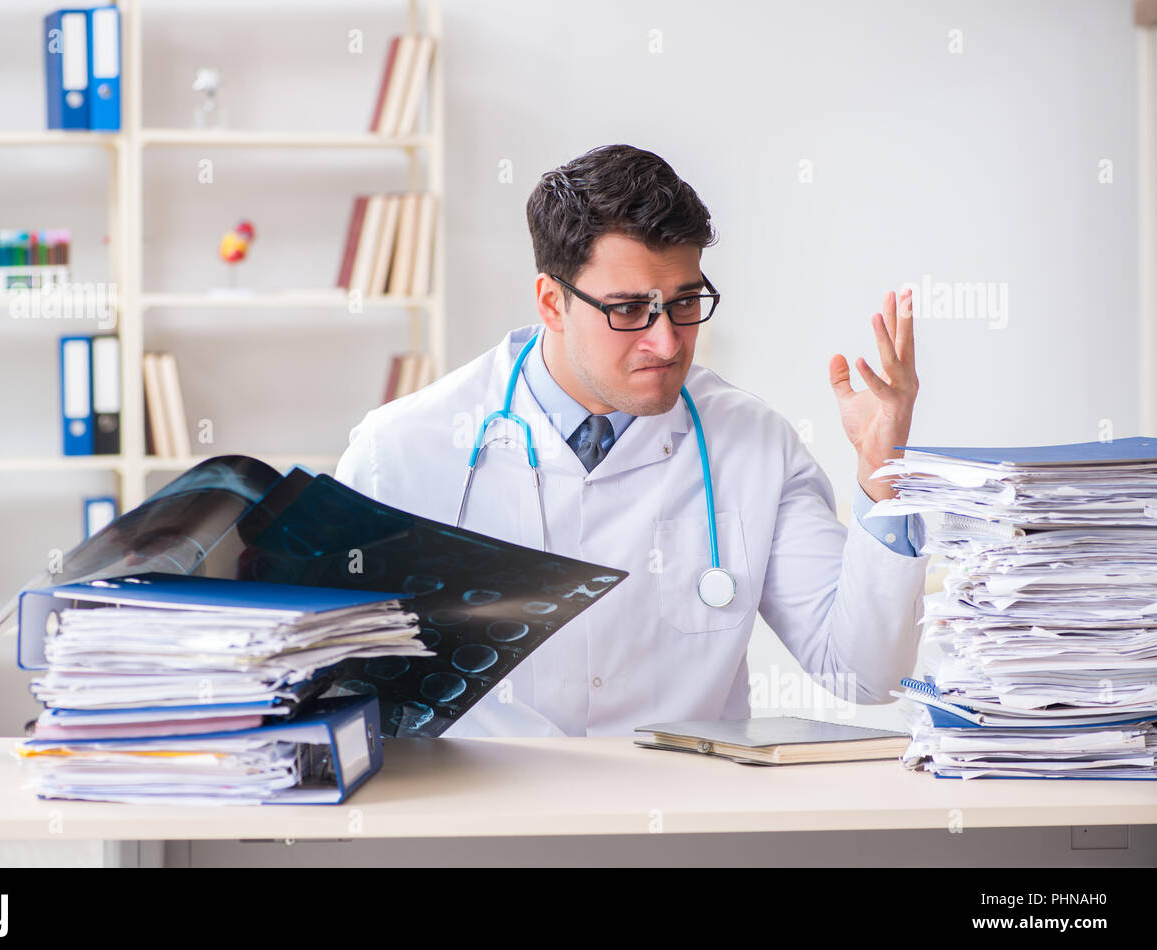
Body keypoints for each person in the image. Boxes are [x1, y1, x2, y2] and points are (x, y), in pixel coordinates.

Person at [334, 144, 928, 737]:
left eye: (684, 303)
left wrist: (883, 477)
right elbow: (336, 685)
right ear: (552, 302)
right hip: (487, 820)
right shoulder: (400, 452)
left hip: (683, 818)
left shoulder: (754, 443)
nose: (667, 343)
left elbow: (864, 676)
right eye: (628, 310)